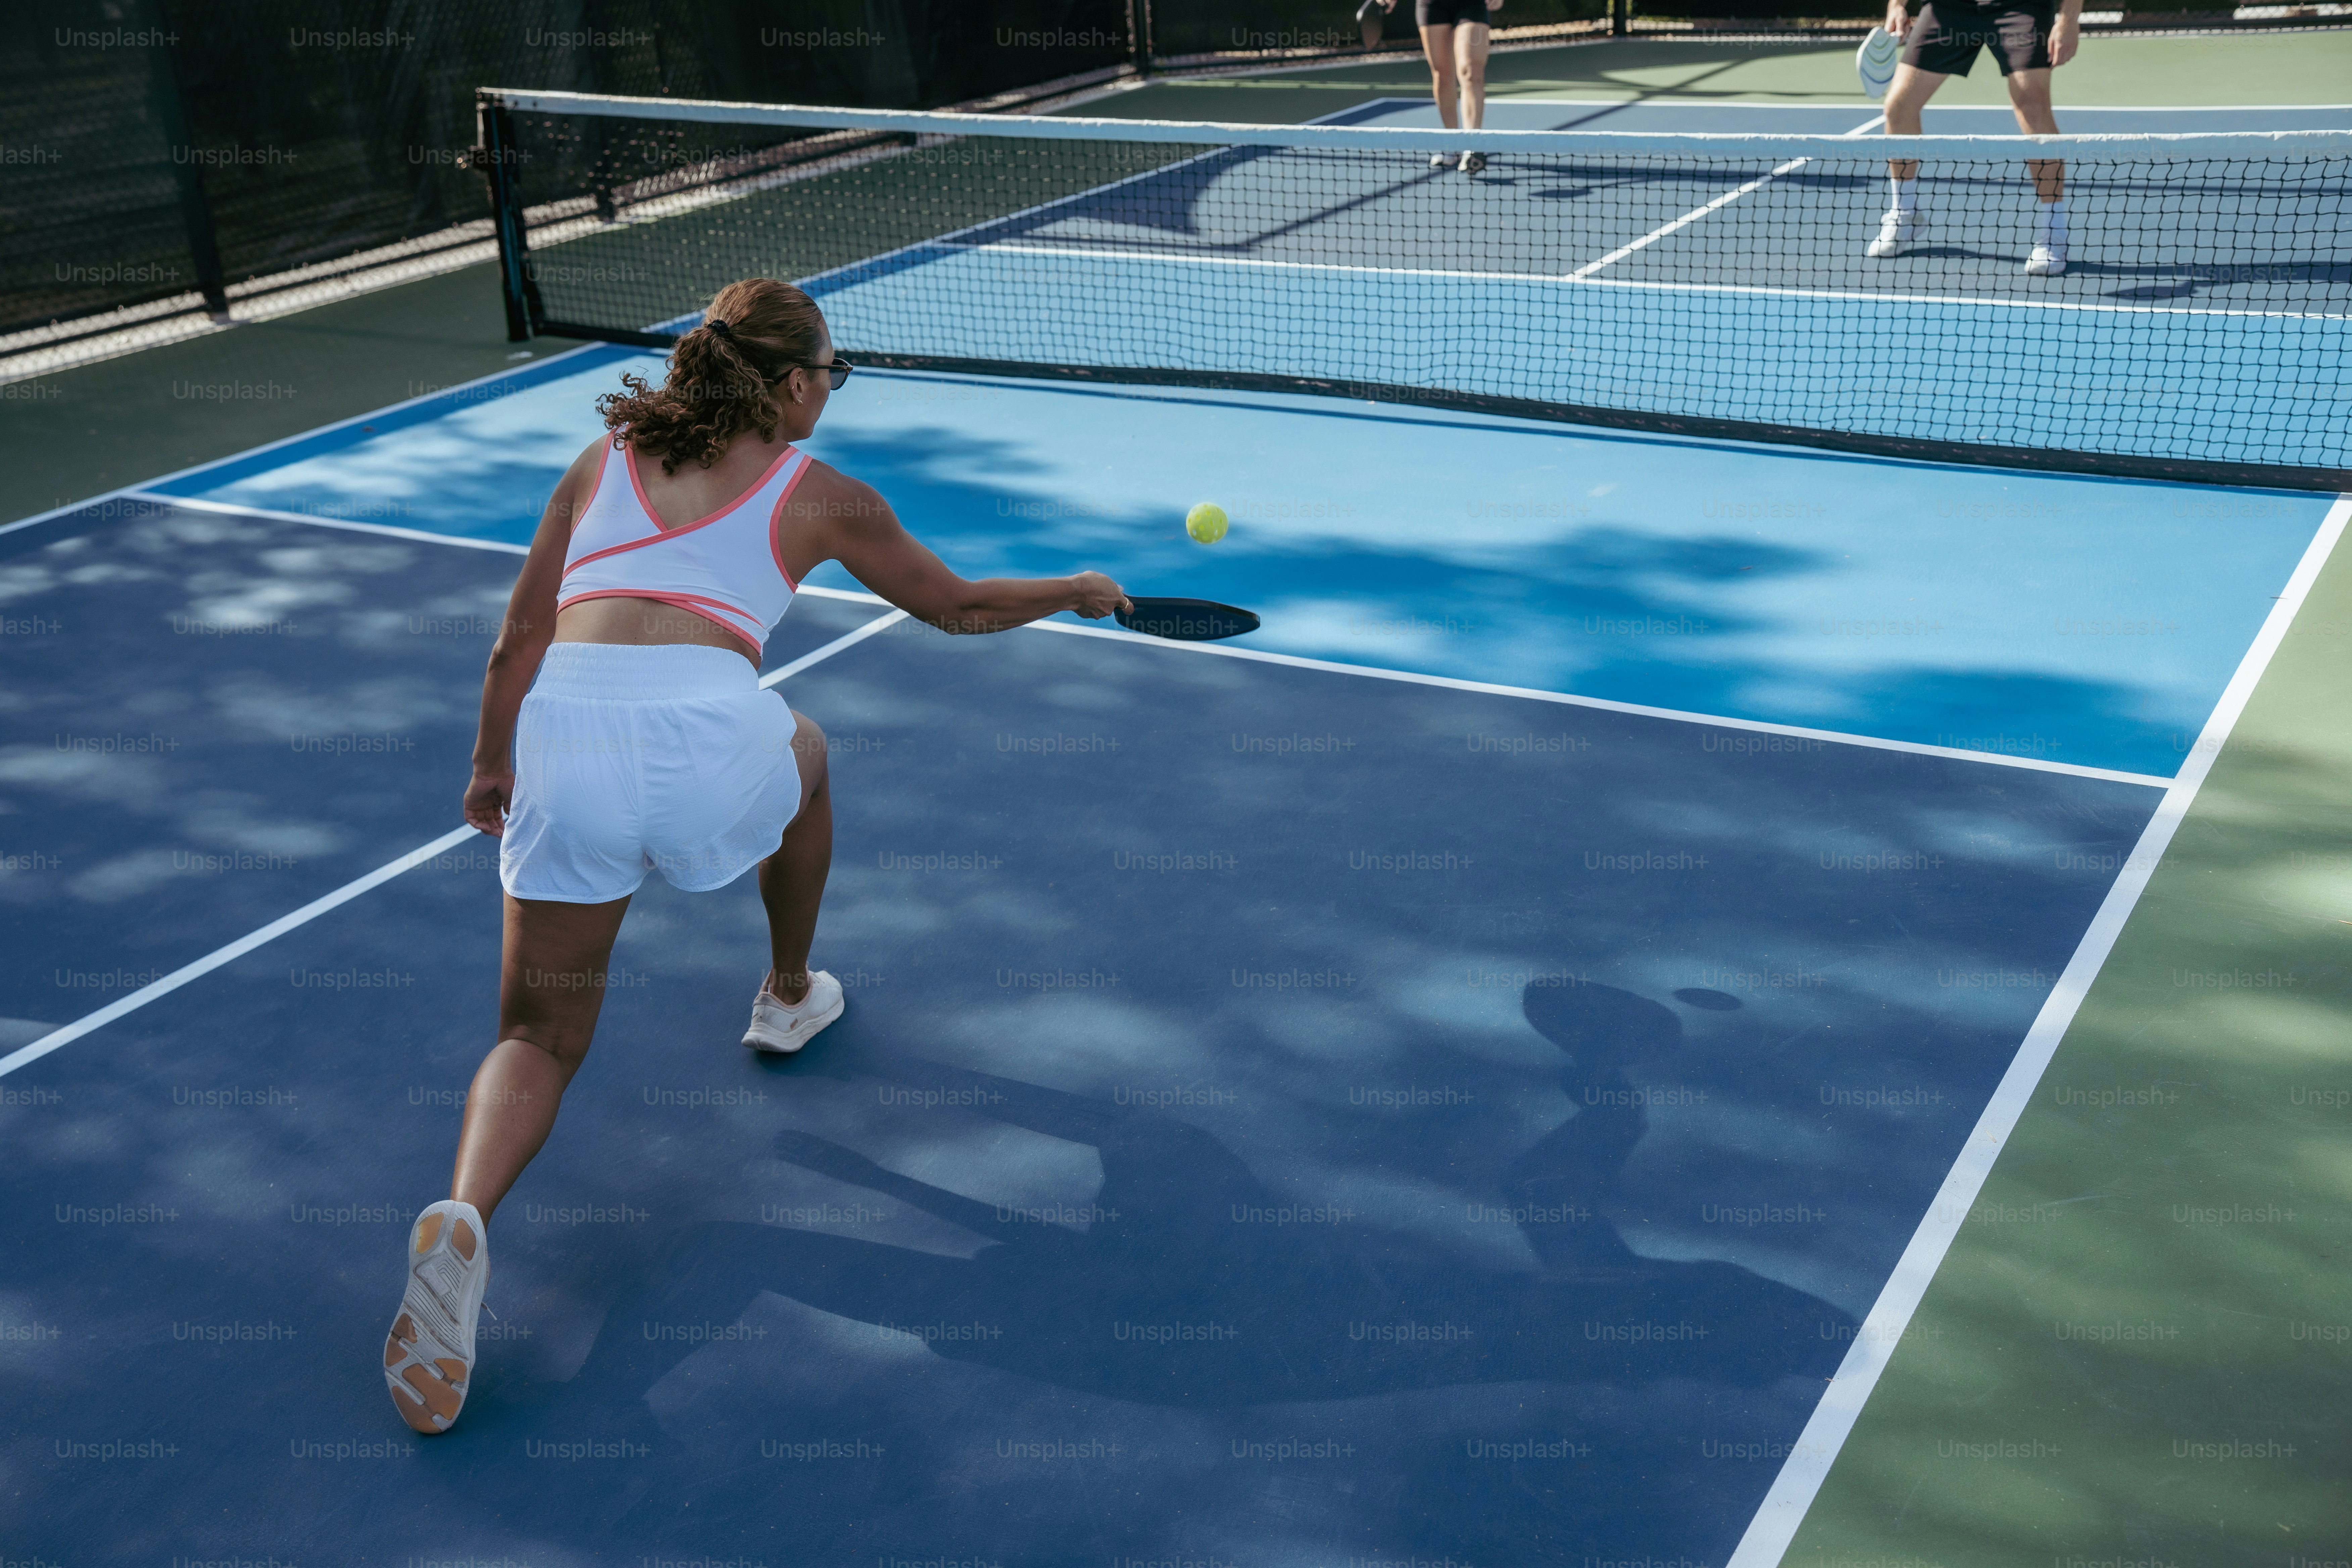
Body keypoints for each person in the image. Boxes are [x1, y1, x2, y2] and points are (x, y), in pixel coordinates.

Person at [380, 277, 1131, 1436]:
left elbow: (518, 636)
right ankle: (786, 993)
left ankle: (466, 1215)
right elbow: (960, 608)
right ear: (788, 384)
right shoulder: (820, 492)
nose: (832, 388)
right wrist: (1074, 590)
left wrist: (491, 763)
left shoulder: (602, 462)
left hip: (562, 734)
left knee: (535, 1036)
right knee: (811, 751)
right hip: (702, 734)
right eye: (831, 371)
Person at [1867, 0, 2083, 275]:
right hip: (1951, 10)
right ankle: (1905, 213)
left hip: (2020, 9)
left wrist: (2069, 20)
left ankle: (2054, 231)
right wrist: (1897, 5)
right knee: (1899, 106)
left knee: (2033, 110)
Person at [1382, 0, 1501, 174]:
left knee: (1471, 72)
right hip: (1432, 5)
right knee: (1442, 75)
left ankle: (1473, 146)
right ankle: (1452, 144)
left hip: (1472, 5)